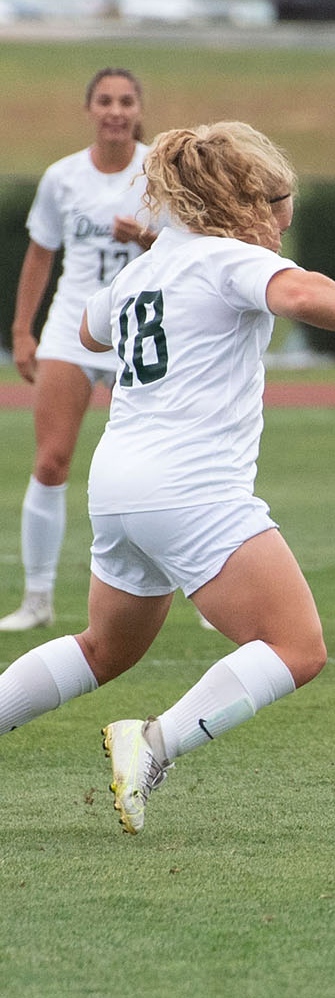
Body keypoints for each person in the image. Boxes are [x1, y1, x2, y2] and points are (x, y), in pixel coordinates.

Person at [0, 121, 335, 834]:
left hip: (117, 483)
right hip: (189, 484)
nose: (276, 234)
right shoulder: (222, 259)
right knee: (297, 647)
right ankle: (153, 745)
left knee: (102, 649)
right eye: (273, 216)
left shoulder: (146, 268)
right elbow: (300, 294)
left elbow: (89, 329)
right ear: (238, 204)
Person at [5, 68, 161, 630]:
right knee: (51, 461)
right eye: (105, 101)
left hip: (139, 332)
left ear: (139, 109)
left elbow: (191, 250)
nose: (115, 111)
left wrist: (144, 237)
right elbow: (41, 254)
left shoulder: (159, 171)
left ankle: (201, 589)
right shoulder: (62, 177)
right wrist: (23, 331)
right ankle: (37, 600)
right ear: (90, 109)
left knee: (156, 465)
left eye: (125, 101)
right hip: (72, 328)